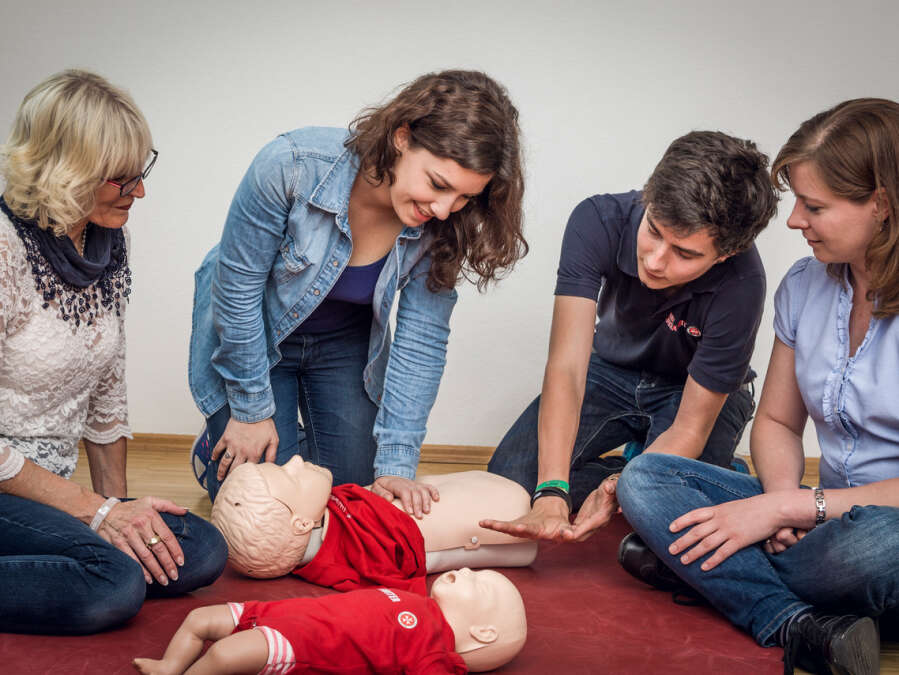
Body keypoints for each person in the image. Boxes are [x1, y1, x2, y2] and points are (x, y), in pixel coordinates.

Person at [616, 98, 899, 675]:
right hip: (817, 521)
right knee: (647, 476)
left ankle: (707, 575)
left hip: (875, 529)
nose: (794, 220)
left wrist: (788, 508)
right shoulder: (804, 285)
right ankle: (796, 621)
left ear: (881, 204)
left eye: (814, 206)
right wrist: (780, 504)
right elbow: (776, 421)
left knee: (881, 546)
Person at [189, 70, 527, 511]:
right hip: (255, 335)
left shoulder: (445, 224)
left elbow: (422, 341)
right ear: (402, 137)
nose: (445, 210)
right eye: (438, 184)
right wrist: (251, 411)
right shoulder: (291, 165)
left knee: (358, 501)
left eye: (464, 197)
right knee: (270, 510)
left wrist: (396, 464)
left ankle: (293, 444)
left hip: (342, 342)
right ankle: (217, 443)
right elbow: (237, 291)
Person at [0, 70, 226, 635]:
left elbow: (106, 387)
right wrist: (96, 513)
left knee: (200, 549)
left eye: (141, 172)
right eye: (122, 179)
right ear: (64, 169)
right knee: (113, 583)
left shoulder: (104, 239)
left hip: (49, 493)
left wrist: (120, 510)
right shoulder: (4, 249)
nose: (139, 191)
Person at [482, 131, 778, 543]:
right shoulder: (597, 219)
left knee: (671, 517)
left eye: (684, 253)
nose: (655, 261)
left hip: (693, 390)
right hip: (611, 370)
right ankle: (642, 468)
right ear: (647, 199)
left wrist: (619, 489)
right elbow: (567, 367)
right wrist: (551, 491)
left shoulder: (743, 283)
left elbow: (690, 427)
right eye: (653, 230)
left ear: (725, 254)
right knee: (510, 483)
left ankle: (710, 473)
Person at [211, 455, 537, 591]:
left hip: (487, 496)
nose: (295, 460)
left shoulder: (321, 516)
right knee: (514, 508)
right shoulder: (363, 553)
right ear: (301, 525)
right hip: (505, 514)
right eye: (290, 475)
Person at [133, 567, 527, 674]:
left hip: (300, 645)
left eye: (480, 584)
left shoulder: (435, 652)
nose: (467, 570)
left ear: (483, 632)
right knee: (199, 617)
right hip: (278, 612)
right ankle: (170, 666)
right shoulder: (416, 598)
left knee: (223, 655)